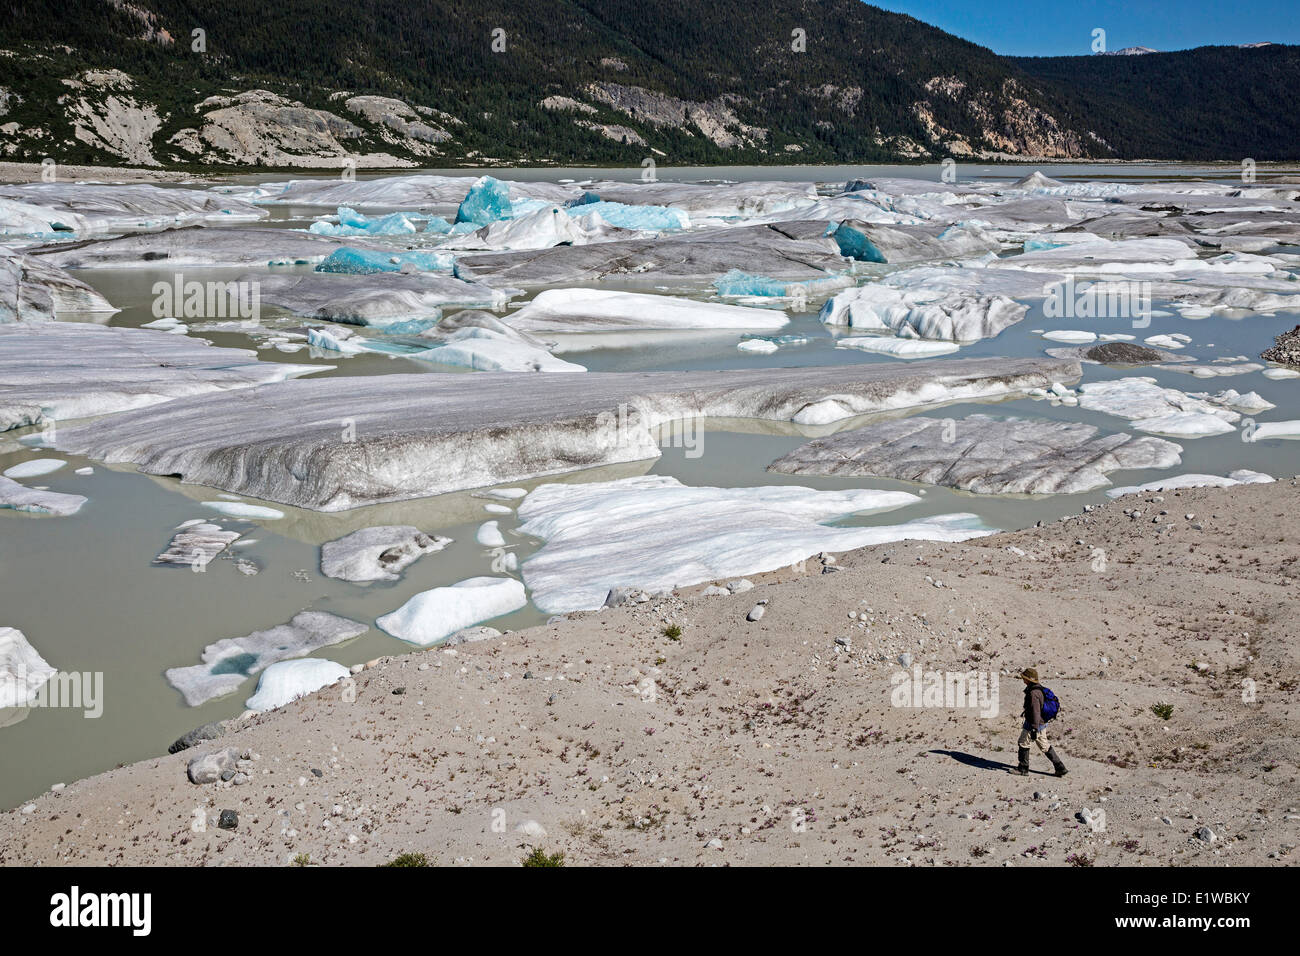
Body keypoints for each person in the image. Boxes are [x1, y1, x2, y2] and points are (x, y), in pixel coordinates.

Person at [1011, 667, 1067, 777]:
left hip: (1033, 723)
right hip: (1040, 723)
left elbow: (1035, 711)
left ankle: (1023, 768)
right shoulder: (1038, 689)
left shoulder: (1033, 693)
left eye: (1024, 678)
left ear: (1028, 679)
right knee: (1044, 745)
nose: (1023, 679)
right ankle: (1060, 767)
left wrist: (1033, 728)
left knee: (1023, 742)